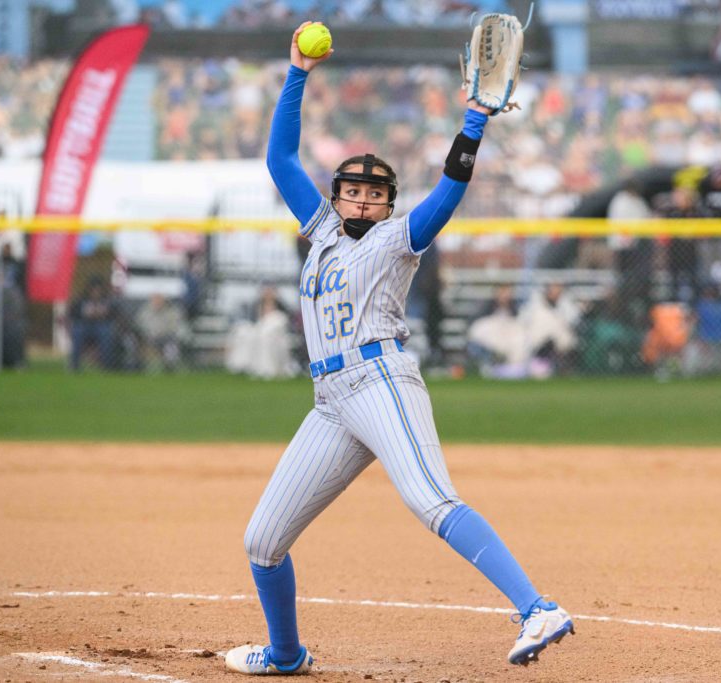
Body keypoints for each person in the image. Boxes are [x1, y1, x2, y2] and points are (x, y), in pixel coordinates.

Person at [224, 23, 574, 676]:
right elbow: (279, 159)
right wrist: (296, 72)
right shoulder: (323, 229)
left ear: (388, 204)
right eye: (351, 189)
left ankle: (537, 607)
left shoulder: (395, 240)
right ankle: (285, 653)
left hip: (381, 379)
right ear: (335, 198)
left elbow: (448, 191)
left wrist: (473, 124)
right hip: (330, 401)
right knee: (263, 541)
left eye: (374, 193)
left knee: (431, 500)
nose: (361, 197)